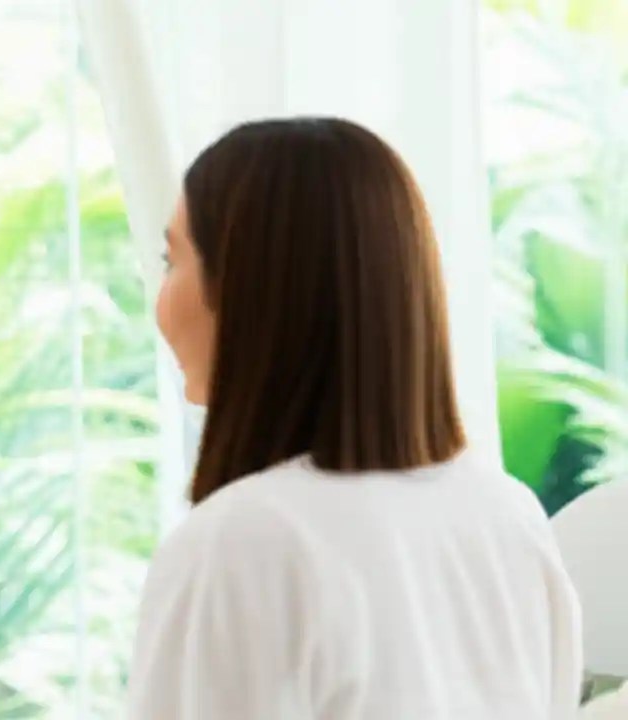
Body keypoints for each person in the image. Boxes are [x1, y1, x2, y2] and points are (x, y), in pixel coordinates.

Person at [129, 117, 582, 719]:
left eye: (172, 261)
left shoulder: (238, 542)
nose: (161, 302)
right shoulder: (508, 516)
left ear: (252, 290)